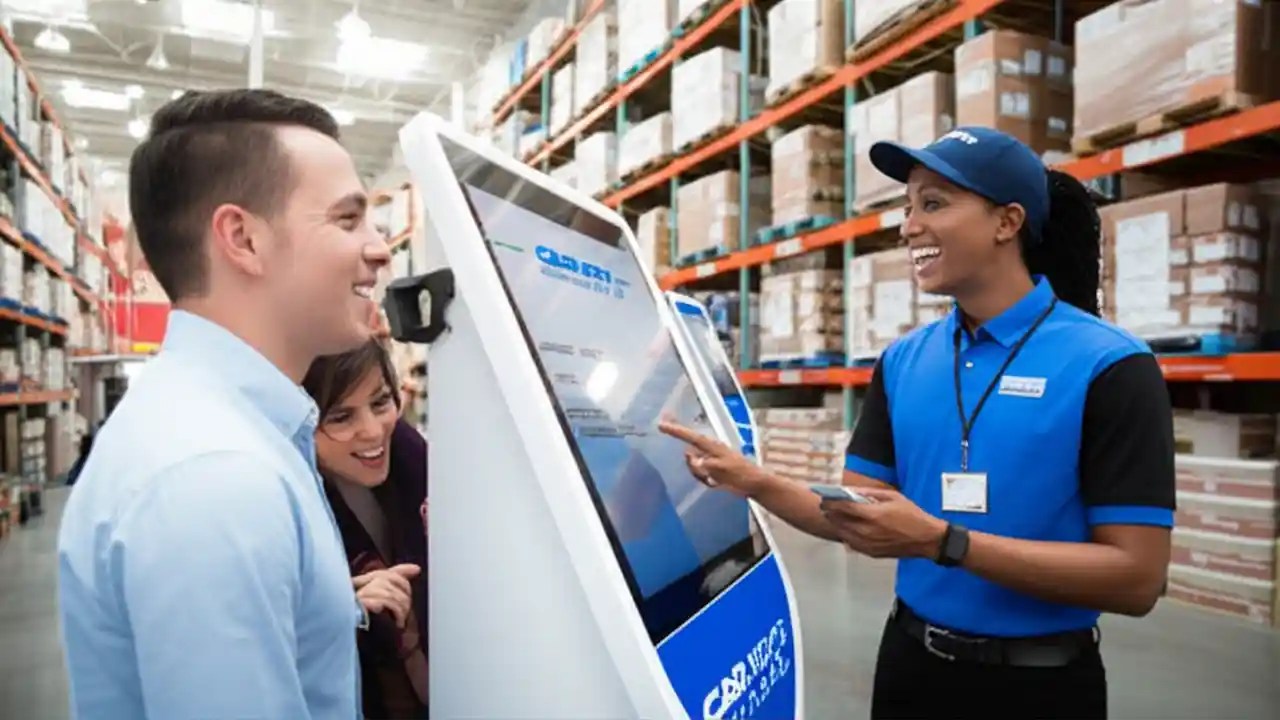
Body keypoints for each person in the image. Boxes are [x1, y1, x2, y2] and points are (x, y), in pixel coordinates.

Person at [661, 126, 1175, 720]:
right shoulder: (905, 361)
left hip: (1040, 687)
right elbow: (858, 512)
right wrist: (752, 481)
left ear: (1007, 222)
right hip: (910, 667)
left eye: (933, 203)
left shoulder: (1110, 365)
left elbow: (1136, 579)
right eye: (907, 208)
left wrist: (944, 542)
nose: (908, 226)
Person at [56, 89, 391, 720]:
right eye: (349, 221)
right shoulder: (215, 476)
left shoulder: (232, 433)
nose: (379, 248)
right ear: (242, 239)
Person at [302, 339, 429, 719]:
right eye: (341, 417)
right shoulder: (288, 505)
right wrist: (341, 606)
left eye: (380, 403)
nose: (373, 432)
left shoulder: (411, 455)